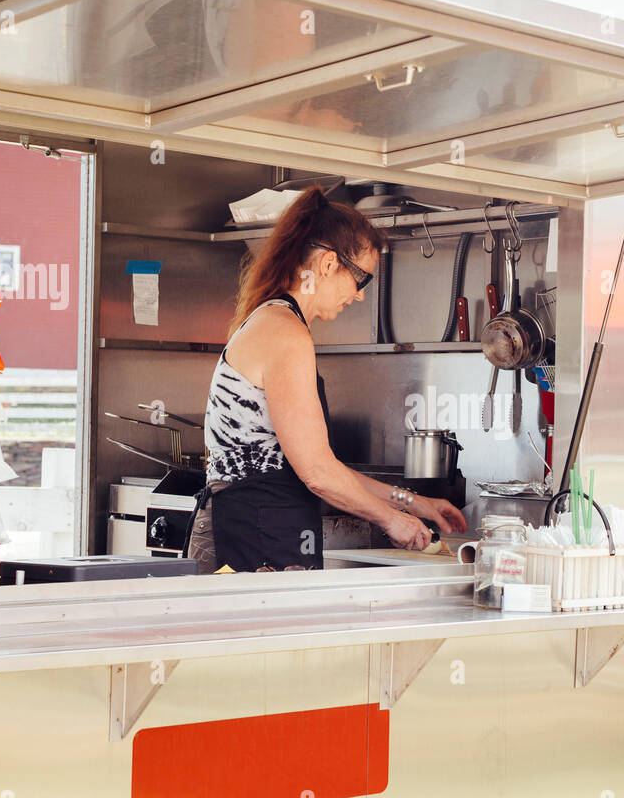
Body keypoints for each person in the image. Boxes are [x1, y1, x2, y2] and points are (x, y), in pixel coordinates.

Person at [187, 185, 467, 573]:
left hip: (260, 529)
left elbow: (321, 464)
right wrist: (392, 520)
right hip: (247, 534)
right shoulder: (285, 331)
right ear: (328, 264)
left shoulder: (277, 321)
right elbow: (318, 474)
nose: (359, 297)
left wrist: (413, 503)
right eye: (362, 280)